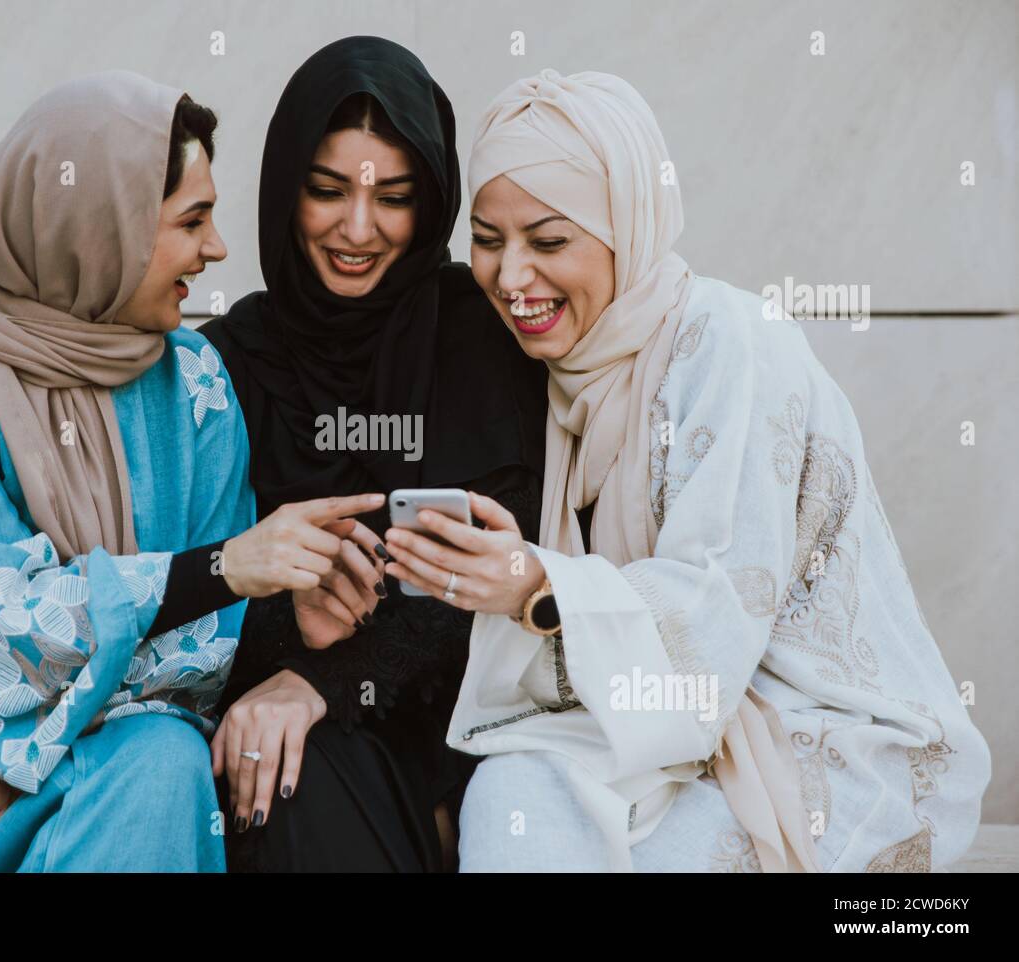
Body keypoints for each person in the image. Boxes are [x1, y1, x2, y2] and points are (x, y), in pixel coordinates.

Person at [0, 70, 382, 873]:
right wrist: (222, 569)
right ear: (101, 228)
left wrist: (26, 758)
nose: (217, 248)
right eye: (192, 220)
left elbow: (202, 655)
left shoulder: (194, 381)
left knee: (163, 761)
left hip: (101, 757)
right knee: (150, 763)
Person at [384, 69, 991, 872]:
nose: (511, 276)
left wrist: (536, 583)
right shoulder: (562, 375)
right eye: (488, 241)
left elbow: (719, 605)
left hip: (820, 741)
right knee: (510, 794)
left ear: (629, 226)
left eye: (549, 241)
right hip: (643, 740)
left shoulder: (730, 340)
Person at [200, 36, 546, 871]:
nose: (357, 230)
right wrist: (289, 628)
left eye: (393, 198)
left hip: (475, 714)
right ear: (285, 189)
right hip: (286, 726)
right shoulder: (229, 361)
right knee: (282, 772)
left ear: (431, 205)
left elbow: (511, 558)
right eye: (326, 191)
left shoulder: (485, 336)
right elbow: (190, 581)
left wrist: (325, 681)